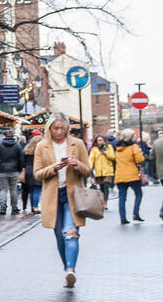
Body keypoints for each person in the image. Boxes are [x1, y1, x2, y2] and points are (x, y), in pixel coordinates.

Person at [33, 112, 91, 287]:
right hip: (53, 196)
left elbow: (87, 170)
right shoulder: (42, 146)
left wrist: (76, 164)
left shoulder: (77, 144)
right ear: (49, 128)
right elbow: (37, 174)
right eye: (55, 128)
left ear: (67, 129)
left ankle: (71, 270)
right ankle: (67, 269)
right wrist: (53, 167)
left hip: (73, 195)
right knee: (59, 236)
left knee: (71, 234)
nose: (59, 132)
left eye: (62, 128)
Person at [112, 129, 146, 224]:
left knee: (122, 196)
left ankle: (123, 217)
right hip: (132, 175)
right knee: (138, 194)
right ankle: (136, 213)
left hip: (120, 175)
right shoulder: (133, 147)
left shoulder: (117, 147)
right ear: (131, 137)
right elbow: (140, 159)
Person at [0, 128, 24, 216]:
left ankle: (3, 208)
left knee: (3, 189)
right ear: (13, 136)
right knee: (13, 190)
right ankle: (14, 208)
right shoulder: (17, 145)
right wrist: (20, 169)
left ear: (4, 136)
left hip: (2, 170)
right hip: (14, 170)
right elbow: (21, 158)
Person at [88, 135, 115, 212]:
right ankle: (102, 201)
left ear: (104, 140)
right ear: (96, 141)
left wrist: (106, 154)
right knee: (102, 187)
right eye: (98, 140)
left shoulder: (109, 147)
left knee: (106, 185)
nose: (100, 142)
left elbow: (112, 157)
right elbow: (91, 159)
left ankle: (105, 203)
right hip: (98, 171)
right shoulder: (94, 149)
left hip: (108, 170)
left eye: (101, 140)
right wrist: (90, 167)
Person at [21, 131, 41, 214]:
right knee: (37, 189)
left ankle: (32, 206)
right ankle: (35, 207)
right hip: (37, 169)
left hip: (28, 170)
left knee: (32, 189)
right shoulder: (40, 150)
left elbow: (22, 162)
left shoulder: (26, 150)